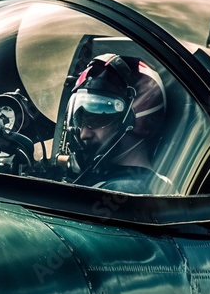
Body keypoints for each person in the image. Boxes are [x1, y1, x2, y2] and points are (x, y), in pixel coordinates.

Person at [63, 53, 175, 194]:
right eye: (80, 120)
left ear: (142, 123)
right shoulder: (157, 184)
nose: (84, 134)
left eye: (97, 120)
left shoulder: (124, 191)